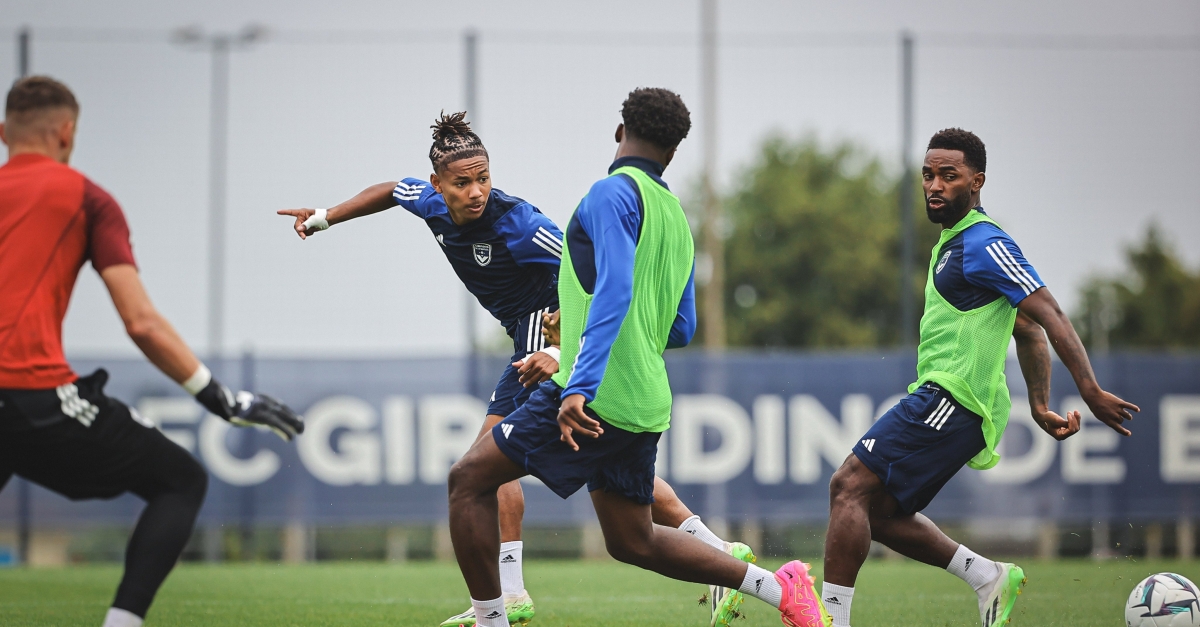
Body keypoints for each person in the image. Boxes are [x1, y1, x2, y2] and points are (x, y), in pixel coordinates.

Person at [278, 111, 752, 627]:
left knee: (483, 465)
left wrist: (565, 341)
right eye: (463, 183)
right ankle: (717, 551)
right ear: (439, 186)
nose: (477, 191)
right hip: (532, 340)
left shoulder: (518, 224)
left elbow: (583, 263)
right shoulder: (430, 204)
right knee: (592, 465)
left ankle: (508, 596)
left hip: (546, 335)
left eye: (484, 178)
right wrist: (325, 216)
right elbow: (393, 189)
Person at [443, 87, 826, 627]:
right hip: (644, 400)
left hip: (592, 393)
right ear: (672, 151)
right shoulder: (675, 217)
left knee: (468, 480)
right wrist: (577, 329)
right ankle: (778, 587)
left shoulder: (608, 195)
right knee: (633, 540)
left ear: (620, 132)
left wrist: (579, 382)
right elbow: (682, 327)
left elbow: (616, 290)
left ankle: (490, 619)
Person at [0, 76, 303, 627]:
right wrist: (223, 400)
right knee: (180, 480)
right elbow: (141, 323)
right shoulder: (87, 199)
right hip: (29, 394)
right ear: (66, 132)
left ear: (4, 134)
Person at [819, 128, 1141, 627]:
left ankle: (828, 622)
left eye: (950, 175)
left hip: (952, 397)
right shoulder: (953, 244)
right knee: (875, 510)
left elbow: (1050, 313)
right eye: (928, 175)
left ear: (977, 182)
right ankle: (987, 575)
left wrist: (1090, 390)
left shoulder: (985, 243)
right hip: (954, 402)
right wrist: (1037, 404)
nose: (935, 185)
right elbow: (1028, 332)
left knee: (847, 485)